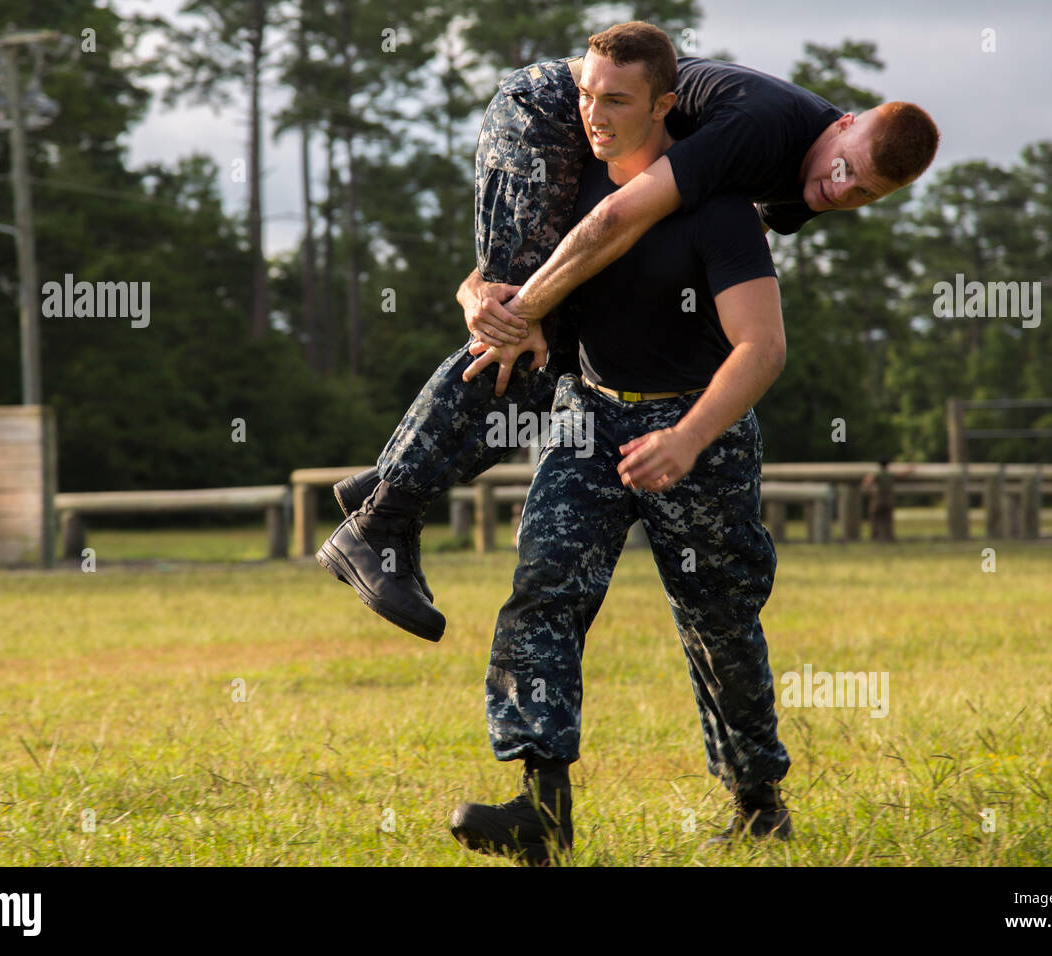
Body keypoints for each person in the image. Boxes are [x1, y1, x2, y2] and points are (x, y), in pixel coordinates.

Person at [318, 21, 941, 642]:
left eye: (865, 192)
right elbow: (616, 218)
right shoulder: (762, 128)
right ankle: (383, 520)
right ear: (843, 122)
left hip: (618, 138)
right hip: (558, 110)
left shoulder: (811, 183)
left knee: (562, 348)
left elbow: (702, 246)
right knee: (523, 336)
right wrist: (520, 301)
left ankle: (391, 483)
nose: (840, 191)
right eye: (844, 168)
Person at [446, 28, 791, 864]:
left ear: (665, 105)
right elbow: (490, 278)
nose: (594, 116)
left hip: (696, 429)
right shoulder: (565, 181)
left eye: (618, 100)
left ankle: (757, 799)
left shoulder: (718, 207)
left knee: (720, 621)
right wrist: (476, 299)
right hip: (585, 416)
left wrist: (686, 438)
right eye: (588, 96)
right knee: (543, 592)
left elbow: (762, 346)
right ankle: (540, 805)